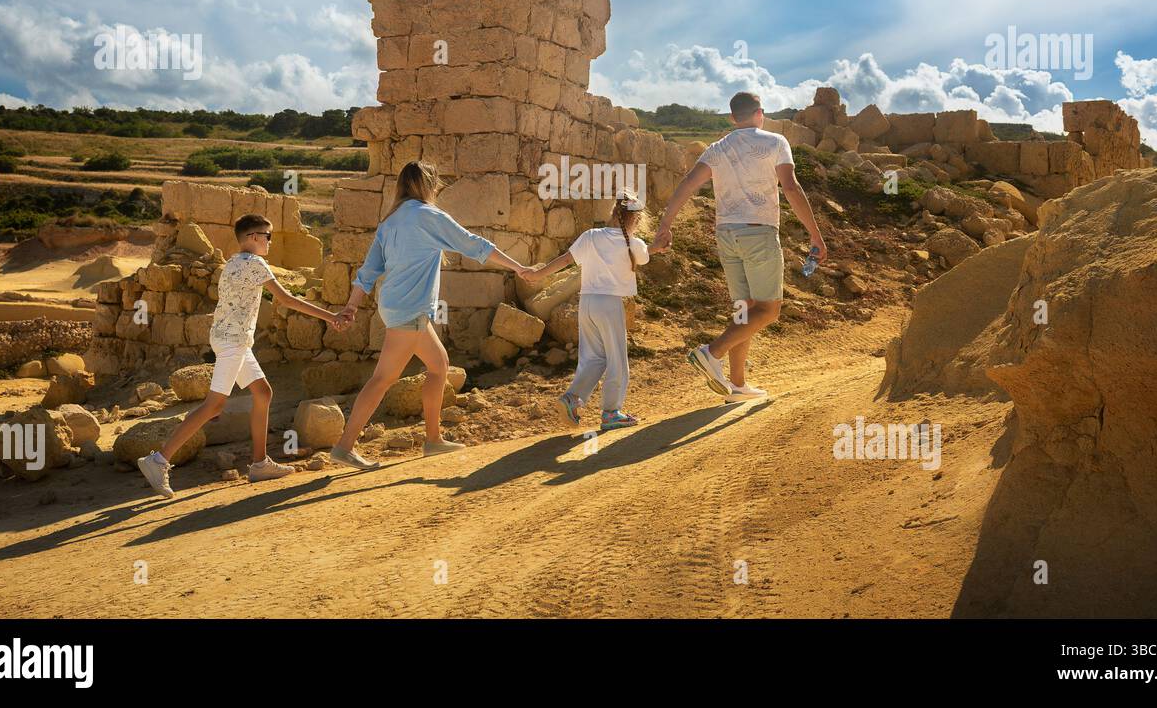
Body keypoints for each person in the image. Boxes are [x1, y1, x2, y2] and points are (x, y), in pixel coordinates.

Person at [329, 161, 534, 468]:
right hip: (410, 308)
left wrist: (352, 305)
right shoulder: (429, 216)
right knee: (383, 378)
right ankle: (344, 447)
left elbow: (369, 271)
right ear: (429, 186)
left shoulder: (391, 222)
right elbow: (473, 245)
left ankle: (433, 440)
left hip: (397, 305)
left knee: (439, 365)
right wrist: (517, 266)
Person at [138, 213, 342, 497]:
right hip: (233, 342)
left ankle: (259, 464)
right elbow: (286, 299)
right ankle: (159, 459)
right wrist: (331, 316)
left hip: (231, 340)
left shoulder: (232, 262)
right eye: (267, 236)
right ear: (253, 238)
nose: (270, 242)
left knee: (262, 392)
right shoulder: (256, 264)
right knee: (214, 406)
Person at [653, 91, 827, 400]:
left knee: (743, 310)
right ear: (761, 113)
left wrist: (665, 224)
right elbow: (790, 186)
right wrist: (814, 233)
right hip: (758, 233)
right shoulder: (776, 142)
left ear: (733, 119)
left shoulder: (717, 149)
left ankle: (736, 384)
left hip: (725, 235)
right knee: (770, 310)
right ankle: (711, 353)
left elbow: (688, 184)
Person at [525, 189, 660, 432]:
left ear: (613, 212)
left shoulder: (591, 236)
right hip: (610, 305)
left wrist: (537, 274)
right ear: (636, 220)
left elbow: (566, 259)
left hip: (586, 303)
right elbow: (645, 257)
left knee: (594, 358)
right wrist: (658, 246)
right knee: (617, 359)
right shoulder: (635, 244)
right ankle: (611, 412)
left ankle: (572, 399)